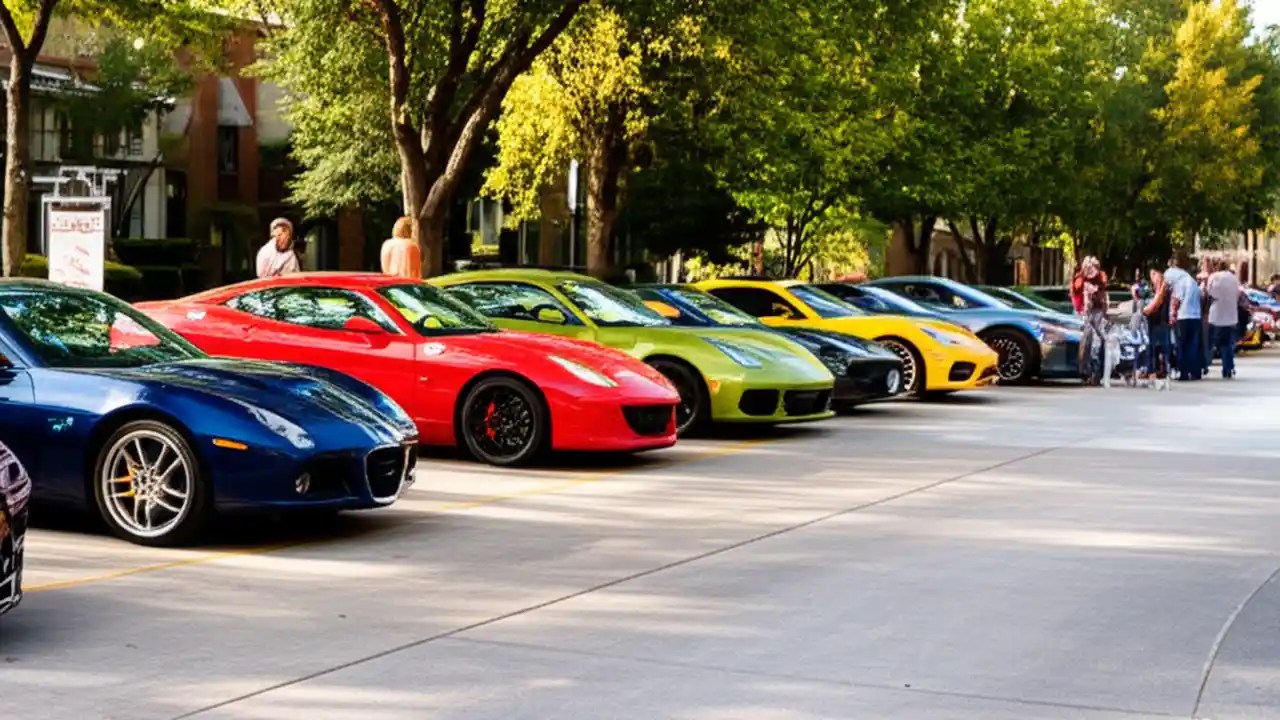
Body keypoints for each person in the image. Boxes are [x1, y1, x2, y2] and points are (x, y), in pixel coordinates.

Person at [1164, 251, 1202, 381]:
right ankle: (1195, 371)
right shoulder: (1191, 280)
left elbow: (1177, 299)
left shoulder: (1178, 280)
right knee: (1193, 345)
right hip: (1195, 317)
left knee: (1182, 345)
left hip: (1183, 316)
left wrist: (1172, 315)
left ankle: (1184, 372)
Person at [1076, 256, 1109, 384]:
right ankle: (1087, 373)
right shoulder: (1083, 281)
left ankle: (1095, 374)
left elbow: (1103, 298)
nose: (1090, 270)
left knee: (1095, 344)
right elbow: (1077, 291)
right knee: (1087, 344)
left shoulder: (1100, 281)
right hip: (1089, 314)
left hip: (1096, 313)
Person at [1206, 260, 1240, 379]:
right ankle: (1229, 367)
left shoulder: (1213, 277)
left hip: (1217, 315)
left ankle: (1208, 365)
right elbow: (1238, 294)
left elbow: (1209, 293)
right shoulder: (1234, 278)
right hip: (1231, 315)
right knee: (1228, 343)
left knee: (1213, 342)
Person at [1141, 267, 1171, 380]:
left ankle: (1155, 370)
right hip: (1156, 322)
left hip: (1159, 322)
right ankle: (1154, 369)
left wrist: (1146, 310)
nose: (1152, 278)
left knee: (1155, 347)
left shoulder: (1162, 290)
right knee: (1154, 347)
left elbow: (1153, 306)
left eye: (1154, 274)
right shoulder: (1157, 290)